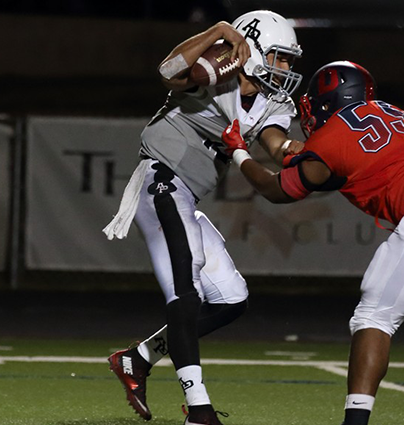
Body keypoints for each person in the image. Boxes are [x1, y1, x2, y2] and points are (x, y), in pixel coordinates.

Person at [220, 61, 404, 425]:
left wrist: (238, 150)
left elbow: (277, 188)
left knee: (374, 316)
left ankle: (355, 422)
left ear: (326, 103)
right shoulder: (395, 114)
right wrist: (271, 134)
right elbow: (299, 153)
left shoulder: (331, 138)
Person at [100, 10, 305, 425]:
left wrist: (297, 152)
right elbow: (169, 71)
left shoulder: (274, 100)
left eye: (289, 60)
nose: (285, 68)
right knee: (185, 292)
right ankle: (199, 409)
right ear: (253, 49)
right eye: (279, 57)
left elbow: (274, 141)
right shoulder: (218, 71)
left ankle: (138, 358)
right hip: (160, 178)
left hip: (185, 195)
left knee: (231, 300)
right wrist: (217, 32)